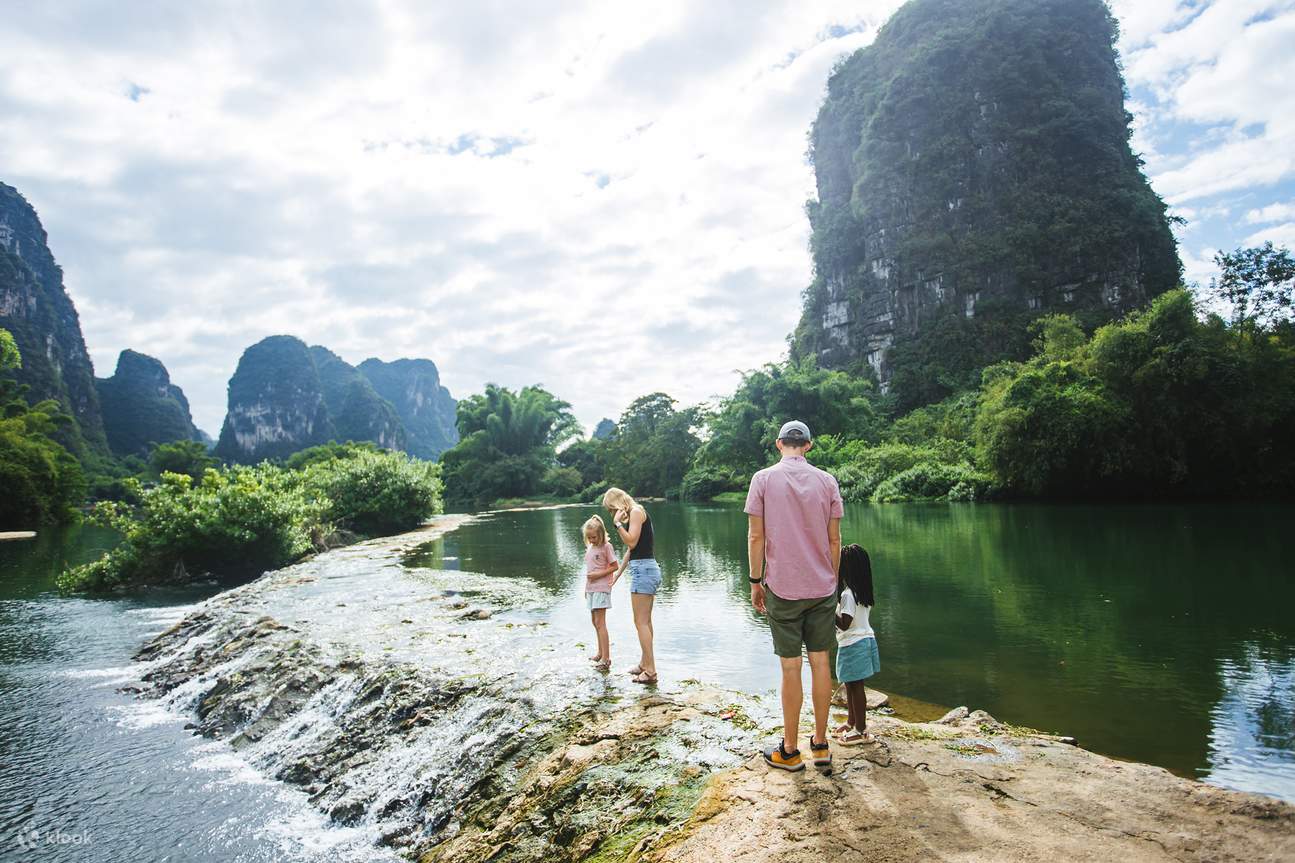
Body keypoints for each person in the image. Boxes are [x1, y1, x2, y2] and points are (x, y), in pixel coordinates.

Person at [745, 420, 843, 773]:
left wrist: (756, 581)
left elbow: (756, 537)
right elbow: (835, 540)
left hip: (782, 588)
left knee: (790, 667)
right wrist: (831, 579)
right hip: (822, 588)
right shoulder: (827, 481)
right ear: (809, 446)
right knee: (820, 663)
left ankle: (789, 750)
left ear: (778, 444)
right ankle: (820, 745)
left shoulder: (763, 479)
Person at [603, 487, 660, 684]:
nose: (611, 514)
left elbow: (632, 542)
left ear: (618, 503)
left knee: (640, 622)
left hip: (644, 571)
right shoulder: (636, 513)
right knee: (645, 621)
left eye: (611, 509)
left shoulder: (636, 511)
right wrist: (617, 575)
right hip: (643, 569)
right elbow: (631, 550)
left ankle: (651, 671)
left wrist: (617, 524)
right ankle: (645, 663)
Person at [832, 544, 880, 745]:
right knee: (851, 685)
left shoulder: (848, 595)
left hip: (853, 644)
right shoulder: (861, 592)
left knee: (856, 687)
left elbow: (844, 624)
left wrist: (827, 609)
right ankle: (852, 722)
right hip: (864, 641)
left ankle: (861, 730)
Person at [582, 515, 620, 671]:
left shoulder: (606, 547)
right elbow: (590, 570)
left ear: (602, 534)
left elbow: (615, 566)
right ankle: (600, 652)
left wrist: (598, 576)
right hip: (591, 589)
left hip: (602, 588)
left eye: (594, 537)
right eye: (589, 537)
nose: (591, 540)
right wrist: (586, 587)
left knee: (600, 623)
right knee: (594, 622)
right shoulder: (591, 547)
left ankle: (606, 659)